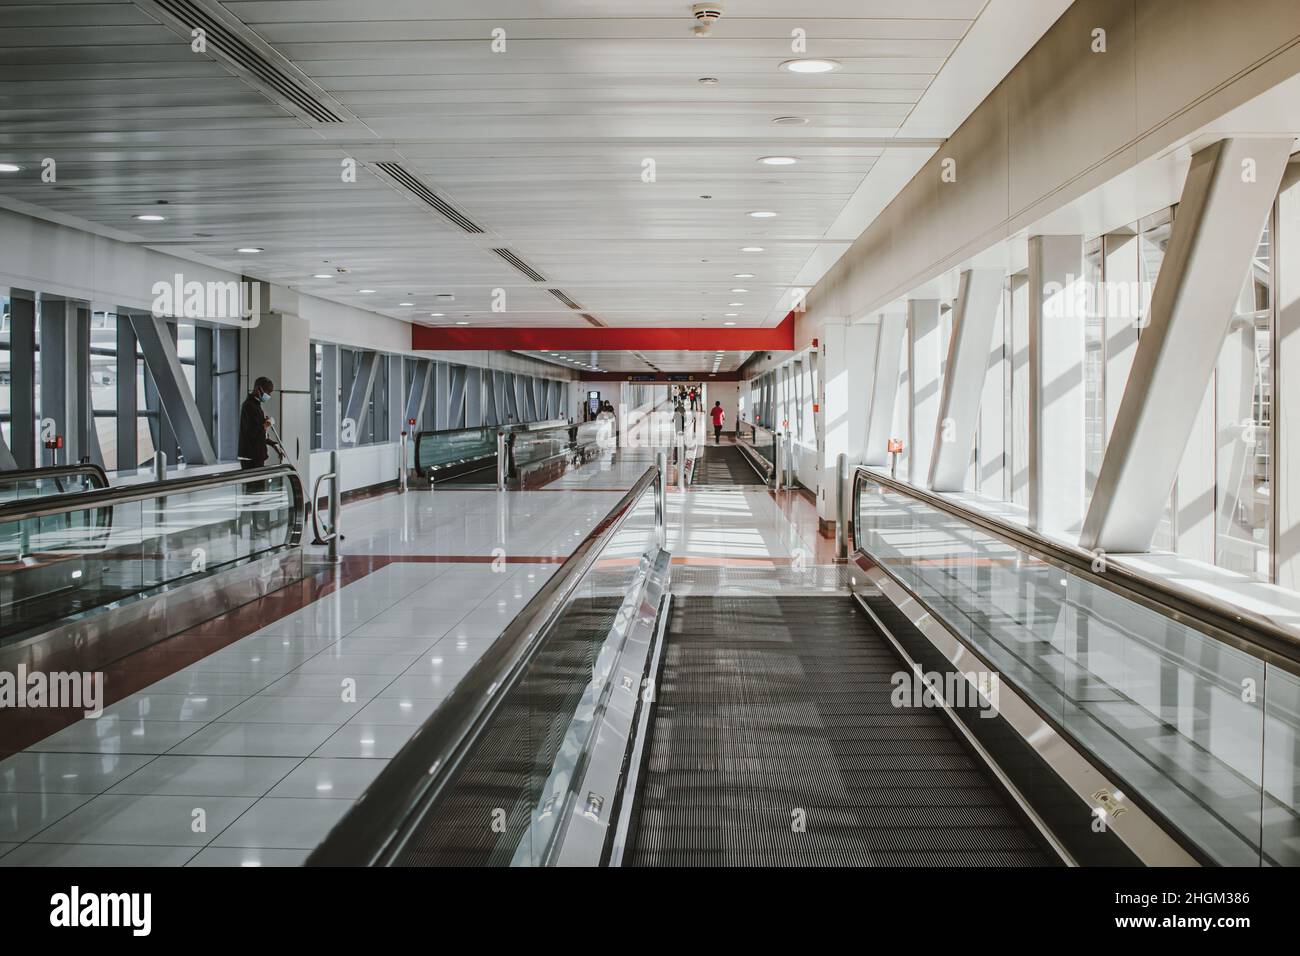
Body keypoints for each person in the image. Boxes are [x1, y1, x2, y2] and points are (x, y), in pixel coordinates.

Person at [238, 376, 279, 470]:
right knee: (255, 484)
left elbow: (260, 433)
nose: (268, 395)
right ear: (258, 389)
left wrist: (273, 444)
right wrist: (266, 424)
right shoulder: (249, 406)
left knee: (259, 484)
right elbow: (252, 432)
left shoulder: (256, 406)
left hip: (257, 456)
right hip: (251, 457)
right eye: (267, 392)